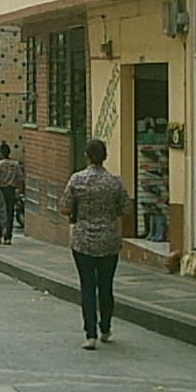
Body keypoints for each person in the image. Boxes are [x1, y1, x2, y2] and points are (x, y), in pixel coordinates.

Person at [60, 138, 132, 350]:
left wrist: (79, 211)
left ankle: (90, 333)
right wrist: (111, 212)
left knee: (88, 287)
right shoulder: (115, 181)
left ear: (87, 156)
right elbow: (126, 209)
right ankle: (106, 327)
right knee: (106, 285)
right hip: (109, 239)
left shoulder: (77, 179)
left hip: (83, 240)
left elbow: (65, 208)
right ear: (105, 157)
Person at [0, 146, 24, 245]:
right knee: (9, 213)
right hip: (11, 190)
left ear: (0, 153)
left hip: (0, 190)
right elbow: (20, 179)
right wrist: (19, 191)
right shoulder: (15, 164)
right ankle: (8, 237)